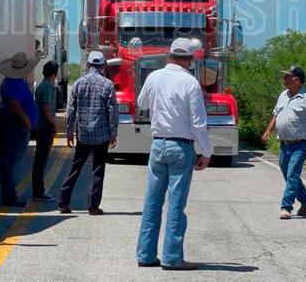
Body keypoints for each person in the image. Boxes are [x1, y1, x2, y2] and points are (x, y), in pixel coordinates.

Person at [135, 38, 212, 271]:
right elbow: (198, 123)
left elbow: (142, 104)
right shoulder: (190, 83)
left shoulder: (153, 77)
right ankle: (172, 257)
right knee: (176, 204)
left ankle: (145, 254)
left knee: (152, 201)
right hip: (181, 147)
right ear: (190, 59)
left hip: (158, 144)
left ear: (169, 56)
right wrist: (206, 152)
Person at [59, 51, 118, 215]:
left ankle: (63, 202)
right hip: (102, 135)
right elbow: (112, 112)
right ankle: (93, 206)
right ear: (103, 66)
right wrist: (113, 132)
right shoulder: (107, 84)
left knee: (75, 168)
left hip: (83, 134)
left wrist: (69, 132)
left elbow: (70, 110)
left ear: (88, 65)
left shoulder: (79, 83)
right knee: (98, 170)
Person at [261, 66, 306, 219]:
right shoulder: (283, 95)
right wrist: (268, 130)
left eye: (287, 76)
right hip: (284, 143)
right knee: (288, 175)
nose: (284, 79)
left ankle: (286, 206)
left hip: (300, 144)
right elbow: (276, 114)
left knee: (292, 174)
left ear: (297, 80)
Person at [0, 52, 41, 207]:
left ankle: (10, 195)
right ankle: (10, 196)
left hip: (14, 125)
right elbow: (14, 103)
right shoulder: (13, 83)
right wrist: (25, 118)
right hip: (15, 125)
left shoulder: (13, 81)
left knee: (11, 161)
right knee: (11, 161)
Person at [32, 60, 59, 202]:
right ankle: (38, 192)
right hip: (45, 127)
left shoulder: (41, 86)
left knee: (39, 161)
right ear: (54, 74)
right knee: (41, 161)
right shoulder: (48, 87)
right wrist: (55, 124)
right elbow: (46, 108)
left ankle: (38, 190)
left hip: (40, 126)